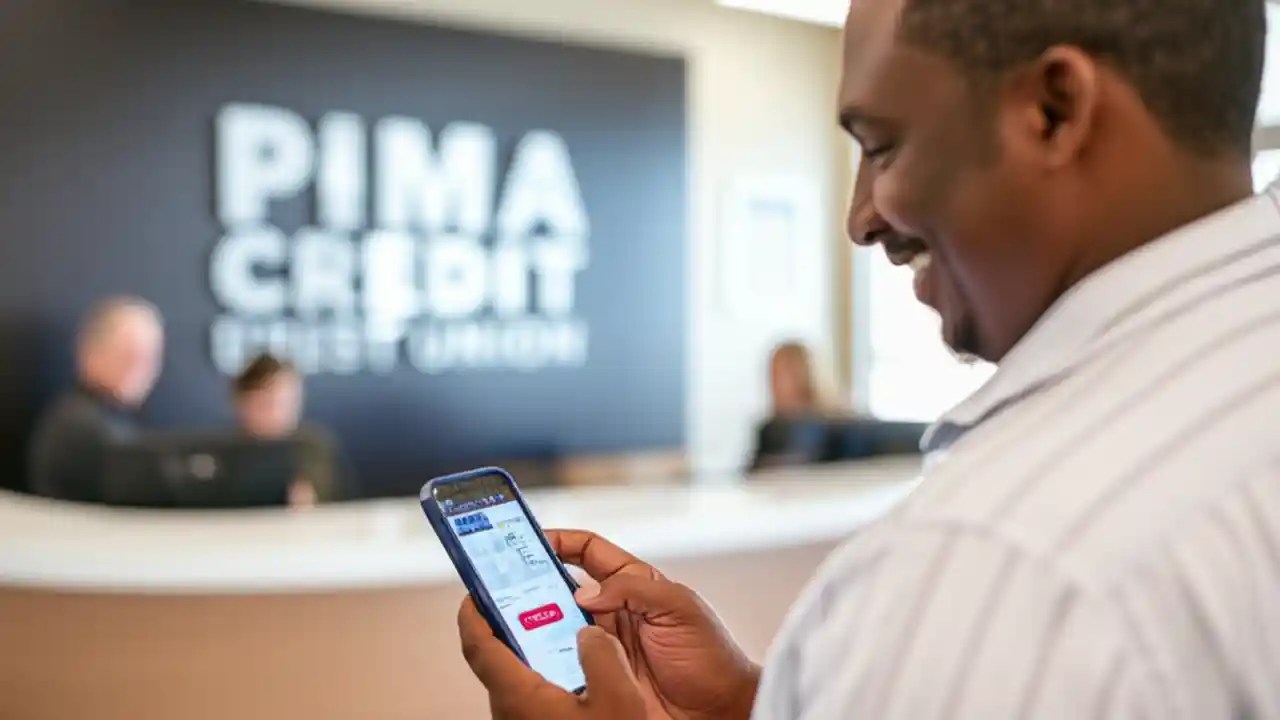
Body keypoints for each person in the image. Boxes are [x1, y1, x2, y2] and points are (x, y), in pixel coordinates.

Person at [457, 0, 1280, 718]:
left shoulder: (1001, 567)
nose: (861, 219)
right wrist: (759, 703)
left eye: (882, 147)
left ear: (1056, 110)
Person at [28, 297, 164, 503]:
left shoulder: (115, 420)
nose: (139, 367)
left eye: (149, 357)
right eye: (127, 354)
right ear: (90, 352)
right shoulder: (80, 427)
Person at [231, 353, 349, 506]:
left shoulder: (314, 448)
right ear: (242, 402)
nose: (276, 411)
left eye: (285, 402)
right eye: (265, 403)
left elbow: (340, 503)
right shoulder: (218, 456)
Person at [749, 342, 839, 470]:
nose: (773, 382)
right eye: (772, 373)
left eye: (781, 373)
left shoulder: (835, 429)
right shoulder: (769, 429)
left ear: (804, 374)